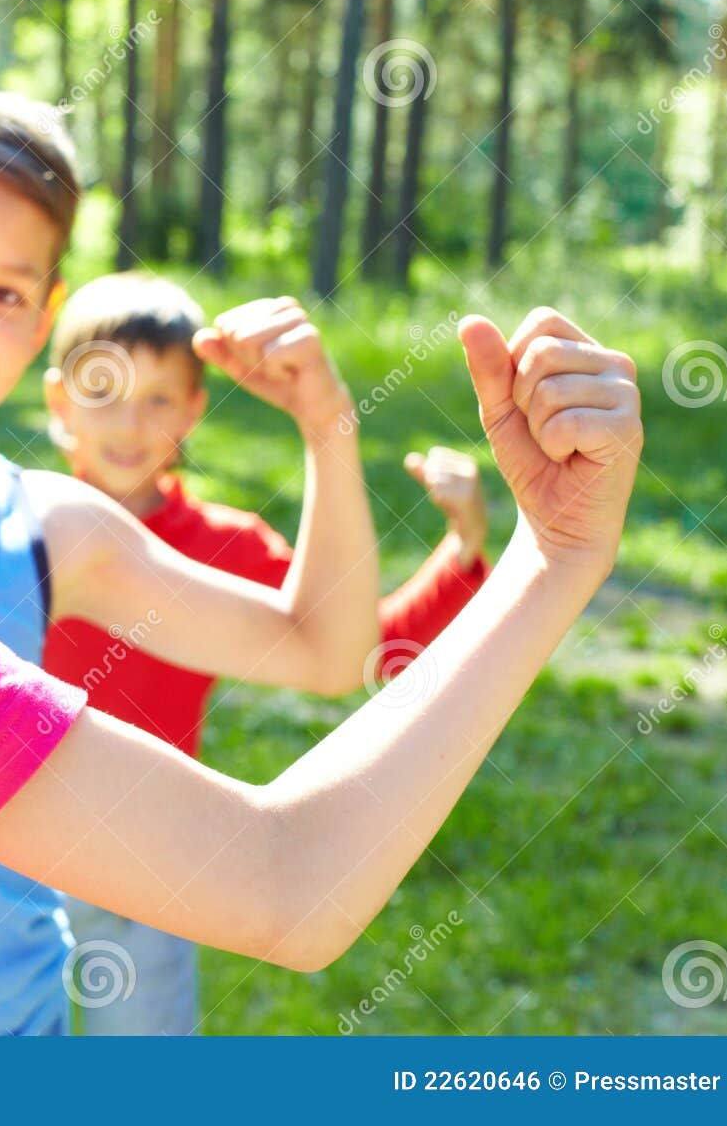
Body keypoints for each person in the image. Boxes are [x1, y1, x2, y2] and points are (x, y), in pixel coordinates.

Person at [0, 83, 642, 1036]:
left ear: (43, 319)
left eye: (4, 291)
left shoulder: (49, 527)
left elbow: (325, 648)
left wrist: (330, 425)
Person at [41, 272, 493, 1035]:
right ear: (58, 403)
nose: (129, 420)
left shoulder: (226, 545)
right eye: (104, 390)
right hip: (1, 855)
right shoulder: (11, 523)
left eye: (158, 398)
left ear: (192, 411)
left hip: (151, 857)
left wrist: (462, 548)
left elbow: (359, 647)